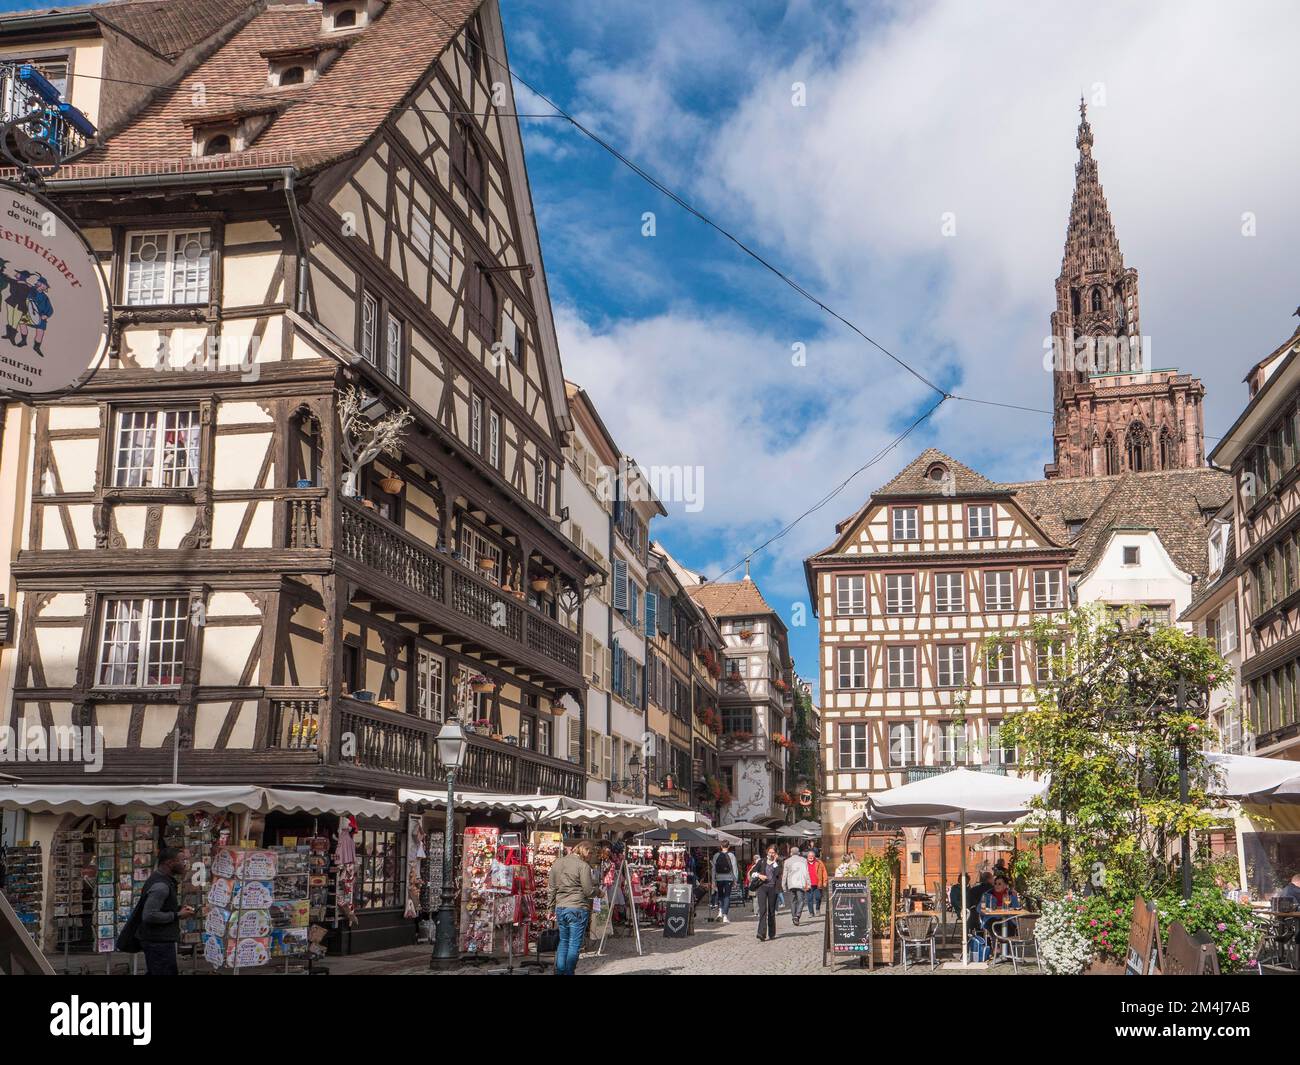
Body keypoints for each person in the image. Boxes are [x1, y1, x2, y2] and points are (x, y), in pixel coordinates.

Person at [137, 846, 194, 975]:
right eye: (182, 861)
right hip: (158, 942)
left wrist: (179, 910)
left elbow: (161, 908)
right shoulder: (161, 886)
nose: (185, 864)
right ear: (170, 863)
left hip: (159, 940)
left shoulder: (163, 880)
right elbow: (149, 915)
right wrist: (177, 915)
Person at [548, 840, 600, 975]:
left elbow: (552, 888)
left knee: (563, 941)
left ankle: (560, 972)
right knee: (574, 944)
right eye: (590, 854)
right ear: (586, 852)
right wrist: (599, 892)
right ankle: (569, 972)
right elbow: (588, 891)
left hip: (561, 907)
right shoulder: (583, 866)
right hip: (577, 907)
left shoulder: (558, 862)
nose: (590, 857)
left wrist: (550, 908)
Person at [752, 845, 782, 942]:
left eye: (773, 852)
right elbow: (752, 872)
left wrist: (774, 862)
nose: (771, 854)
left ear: (776, 853)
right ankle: (761, 933)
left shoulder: (778, 863)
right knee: (763, 910)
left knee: (771, 911)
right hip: (762, 888)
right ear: (767, 852)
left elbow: (778, 873)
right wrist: (759, 875)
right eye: (770, 852)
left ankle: (772, 933)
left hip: (773, 888)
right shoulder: (762, 861)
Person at [782, 843, 812, 925]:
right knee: (801, 900)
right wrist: (809, 883)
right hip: (801, 883)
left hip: (791, 884)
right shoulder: (804, 860)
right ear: (798, 853)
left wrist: (783, 886)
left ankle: (794, 916)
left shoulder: (787, 861)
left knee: (792, 901)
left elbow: (785, 875)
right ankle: (797, 916)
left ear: (791, 853)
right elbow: (807, 873)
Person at [712, 842, 739, 924]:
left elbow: (713, 869)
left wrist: (713, 880)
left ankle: (720, 912)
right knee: (727, 896)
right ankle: (725, 916)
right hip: (729, 878)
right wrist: (735, 880)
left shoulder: (716, 855)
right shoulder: (731, 855)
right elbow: (734, 868)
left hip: (719, 878)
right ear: (729, 846)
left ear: (721, 846)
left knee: (720, 895)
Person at [807, 847, 828, 918]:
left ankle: (817, 909)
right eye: (809, 856)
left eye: (812, 856)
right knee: (809, 899)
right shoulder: (804, 863)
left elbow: (824, 872)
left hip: (818, 884)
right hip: (808, 884)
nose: (811, 857)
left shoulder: (819, 862)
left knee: (818, 897)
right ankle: (811, 912)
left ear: (814, 856)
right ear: (807, 857)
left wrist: (825, 881)